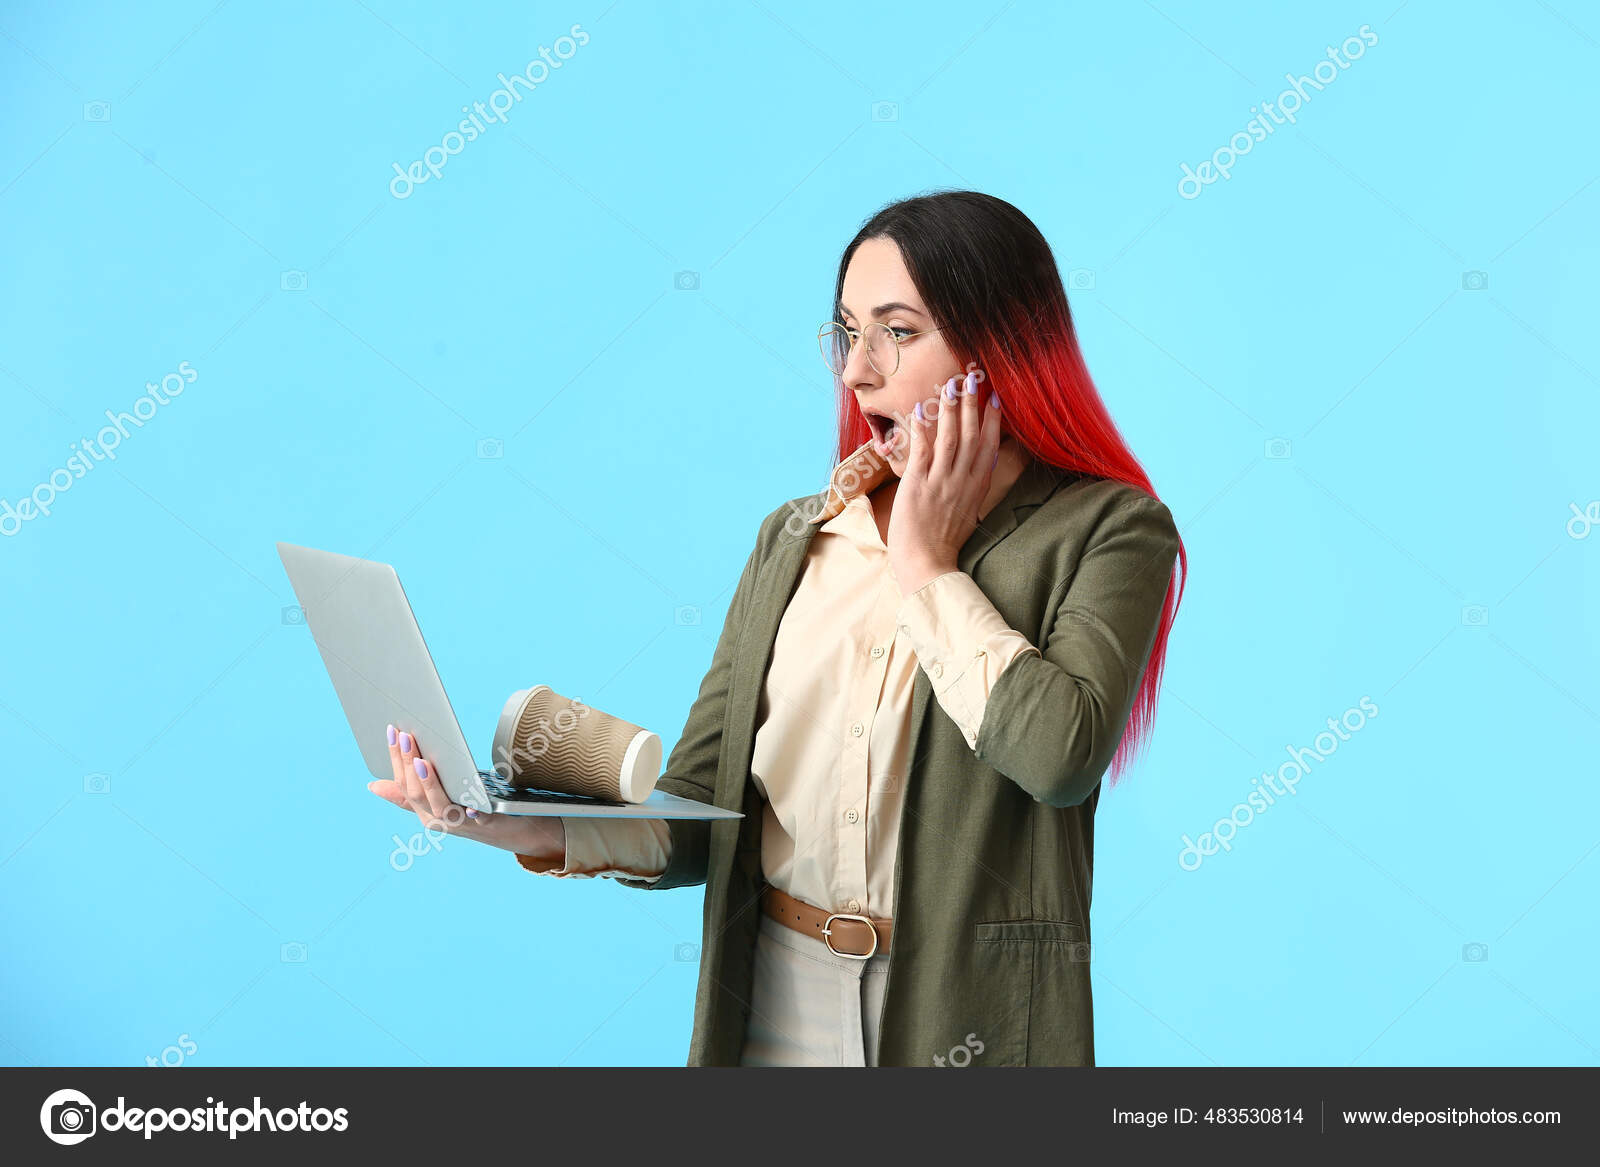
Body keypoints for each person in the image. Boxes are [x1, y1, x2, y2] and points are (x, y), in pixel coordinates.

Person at [370, 190, 1187, 1066]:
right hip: (773, 998)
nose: (857, 372)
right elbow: (701, 809)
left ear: (1000, 350)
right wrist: (518, 824)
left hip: (964, 1016)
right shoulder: (794, 538)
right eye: (848, 333)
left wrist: (925, 561)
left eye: (897, 332)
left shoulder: (1110, 531)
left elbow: (1059, 757)